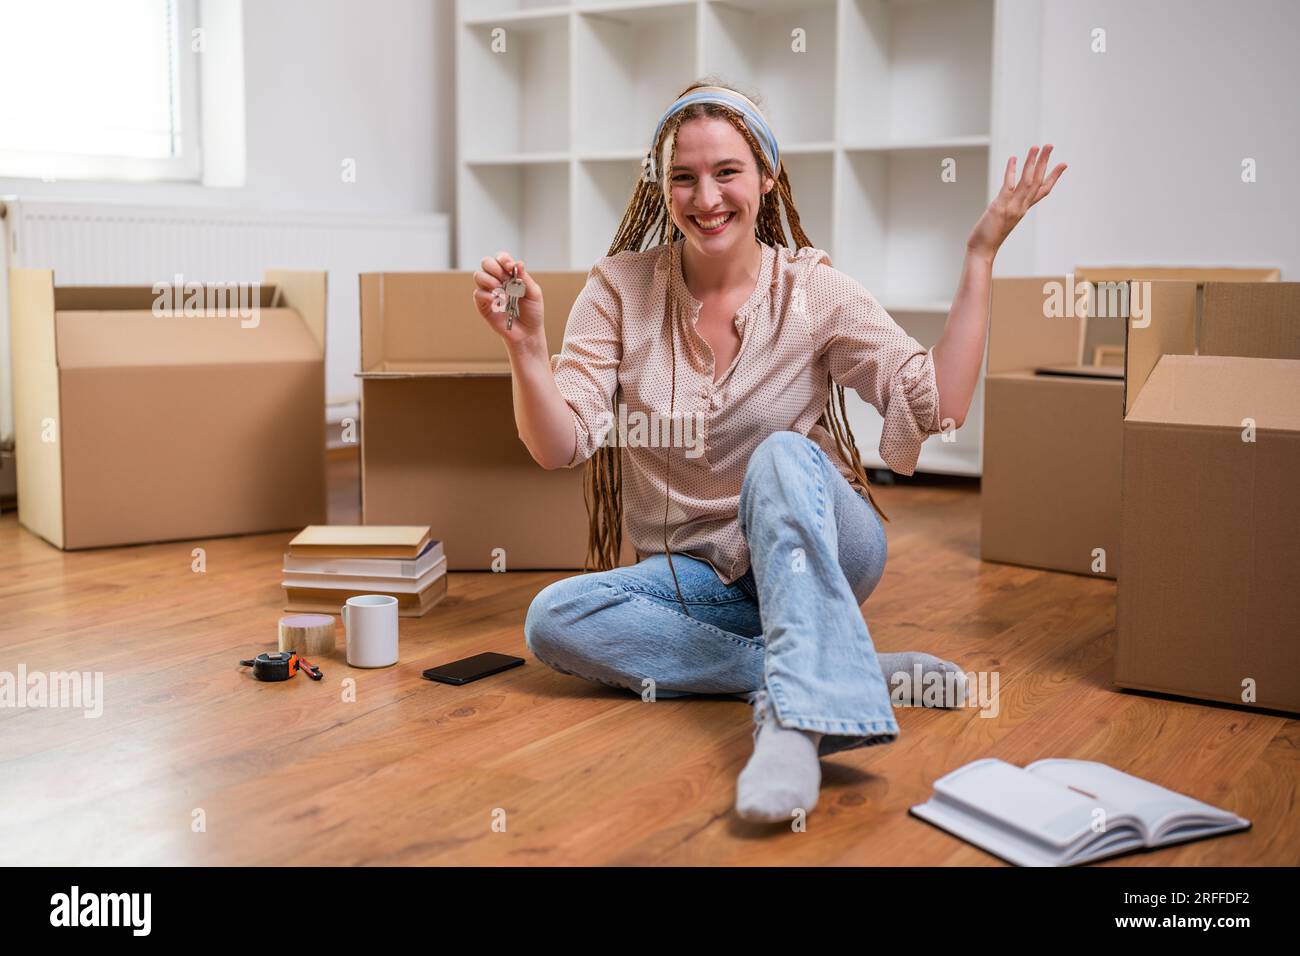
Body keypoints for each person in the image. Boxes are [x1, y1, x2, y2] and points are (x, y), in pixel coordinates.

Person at [472, 79, 1066, 824]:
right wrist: (526, 348)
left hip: (823, 543)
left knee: (781, 455)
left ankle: (789, 721)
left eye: (727, 172)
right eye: (683, 177)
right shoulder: (619, 291)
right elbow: (560, 447)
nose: (706, 198)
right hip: (697, 579)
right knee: (554, 618)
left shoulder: (813, 291)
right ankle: (832, 669)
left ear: (766, 176)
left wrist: (981, 254)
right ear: (660, 185)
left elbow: (938, 407)